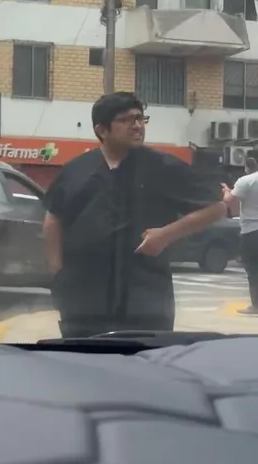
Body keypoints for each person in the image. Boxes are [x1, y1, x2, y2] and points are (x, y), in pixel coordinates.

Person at [42, 93, 226, 337]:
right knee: (83, 357)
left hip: (145, 295)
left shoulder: (163, 167)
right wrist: (58, 274)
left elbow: (216, 208)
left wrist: (166, 234)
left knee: (144, 357)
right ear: (102, 130)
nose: (137, 126)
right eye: (126, 120)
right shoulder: (76, 170)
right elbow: (53, 219)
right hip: (84, 296)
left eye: (140, 118)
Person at [223, 156, 258, 315]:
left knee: (253, 269)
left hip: (252, 231)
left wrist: (226, 191)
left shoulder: (245, 181)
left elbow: (229, 201)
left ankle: (256, 305)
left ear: (247, 168)